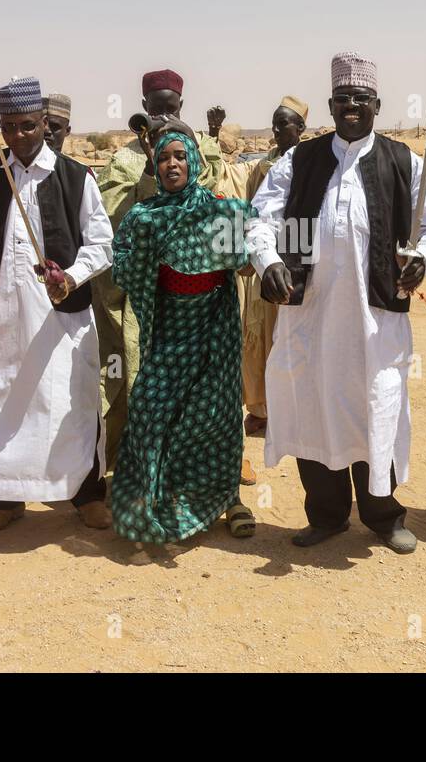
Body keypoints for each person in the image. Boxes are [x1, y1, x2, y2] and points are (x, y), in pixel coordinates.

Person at [249, 52, 426, 554]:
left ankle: (384, 516)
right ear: (330, 104)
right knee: (311, 407)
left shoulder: (402, 161)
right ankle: (326, 516)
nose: (351, 107)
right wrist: (268, 261)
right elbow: (259, 220)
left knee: (377, 408)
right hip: (311, 317)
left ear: (376, 105)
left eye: (361, 99)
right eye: (342, 99)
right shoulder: (300, 161)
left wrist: (424, 260)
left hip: (374, 323)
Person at [0, 77, 113, 535]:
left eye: (28, 127)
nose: (18, 137)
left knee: (71, 404)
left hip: (62, 320)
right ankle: (3, 499)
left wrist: (71, 276)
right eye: (9, 128)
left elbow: (102, 245)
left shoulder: (76, 176)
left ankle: (86, 495)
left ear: (45, 125)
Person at [111, 130, 257, 543]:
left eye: (179, 156)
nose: (172, 164)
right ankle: (155, 496)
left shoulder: (221, 212)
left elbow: (245, 265)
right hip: (169, 328)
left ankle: (227, 497)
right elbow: (123, 268)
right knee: (150, 408)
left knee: (216, 414)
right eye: (163, 159)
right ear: (154, 167)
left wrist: (239, 250)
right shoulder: (144, 217)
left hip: (215, 327)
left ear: (194, 161)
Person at [93, 69, 225, 468]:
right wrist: (152, 168)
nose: (164, 117)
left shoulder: (204, 150)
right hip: (145, 300)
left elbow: (215, 200)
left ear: (181, 107)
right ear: (145, 109)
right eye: (157, 110)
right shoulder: (124, 159)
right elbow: (113, 215)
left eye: (172, 110)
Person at [241, 96, 308, 436]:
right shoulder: (262, 168)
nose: (279, 129)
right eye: (276, 123)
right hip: (267, 262)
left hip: (302, 260)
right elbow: (250, 213)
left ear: (301, 128)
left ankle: (293, 408)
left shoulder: (313, 165)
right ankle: (261, 409)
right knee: (261, 335)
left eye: (286, 124)